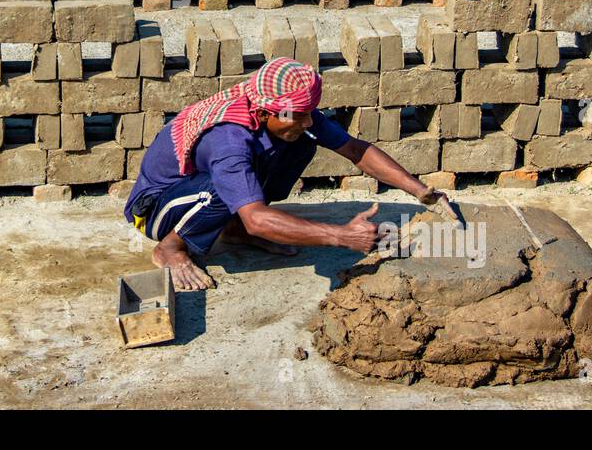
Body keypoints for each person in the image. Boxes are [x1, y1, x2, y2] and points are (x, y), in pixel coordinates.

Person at [124, 57, 448, 291]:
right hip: (158, 208)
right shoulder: (229, 140)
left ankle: (233, 231)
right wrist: (340, 236)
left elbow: (354, 149)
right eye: (299, 116)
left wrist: (418, 190)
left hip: (207, 186)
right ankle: (170, 248)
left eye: (309, 114)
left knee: (300, 143)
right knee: (222, 190)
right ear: (265, 112)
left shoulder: (289, 109)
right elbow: (257, 218)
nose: (308, 121)